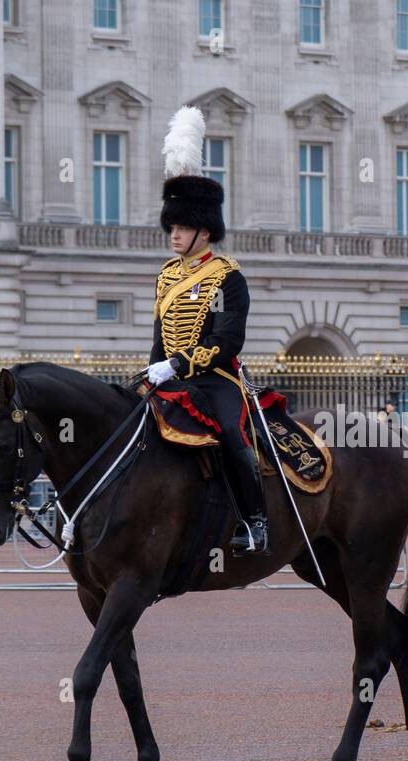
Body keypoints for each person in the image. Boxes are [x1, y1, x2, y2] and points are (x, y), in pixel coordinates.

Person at [142, 106, 263, 554]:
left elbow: (227, 340)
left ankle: (255, 520)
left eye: (184, 227)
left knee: (231, 435)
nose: (174, 235)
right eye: (172, 226)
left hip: (215, 379)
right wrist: (153, 370)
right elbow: (159, 336)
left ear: (205, 230)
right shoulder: (166, 276)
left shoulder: (227, 276)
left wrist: (178, 364)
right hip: (170, 378)